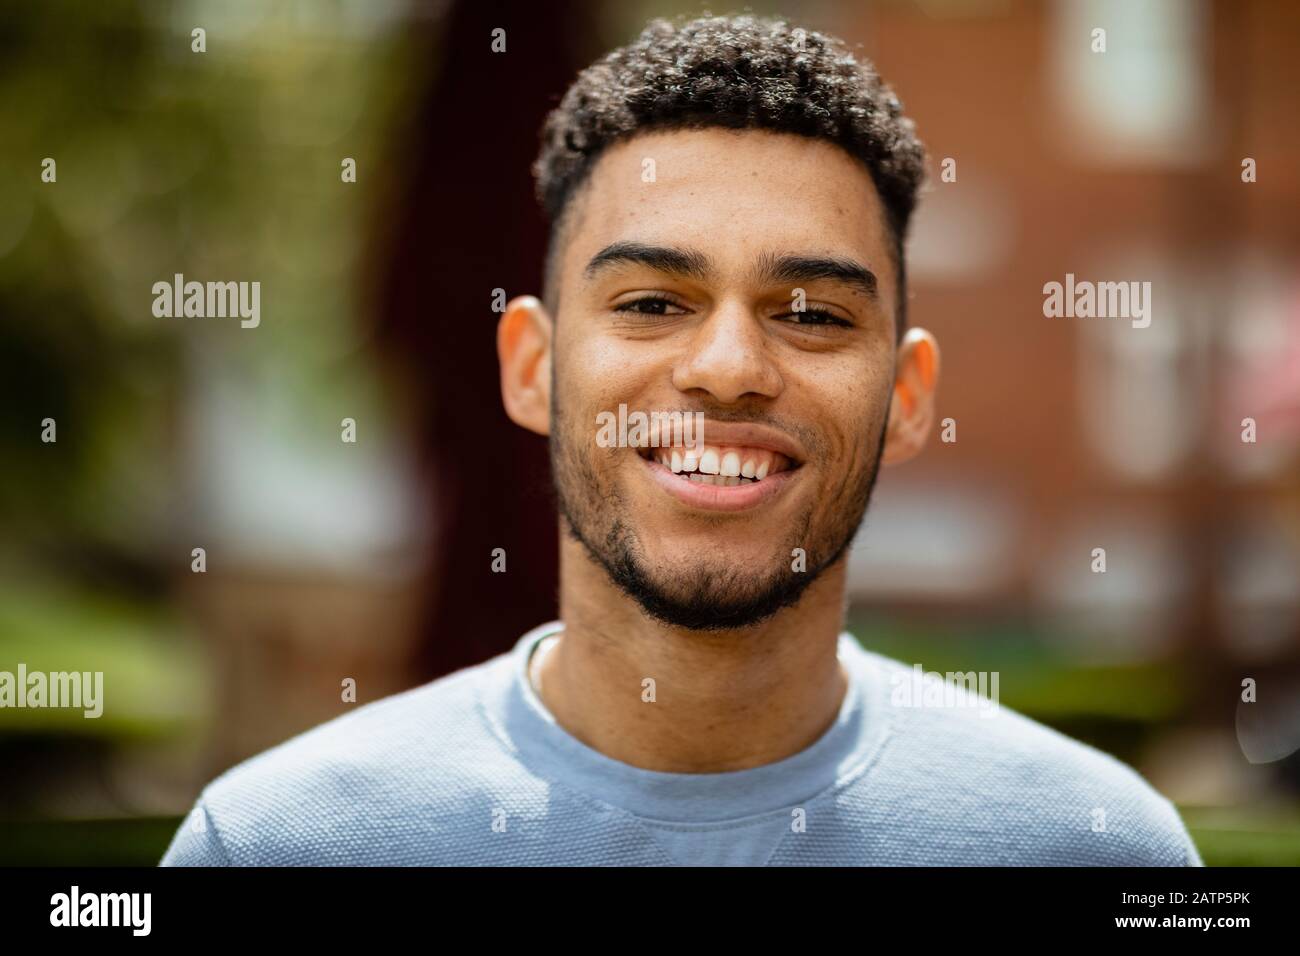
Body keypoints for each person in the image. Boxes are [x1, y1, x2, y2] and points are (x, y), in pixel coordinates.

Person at [161, 13, 1202, 866]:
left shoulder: (1101, 851)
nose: (728, 365)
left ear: (906, 395)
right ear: (531, 367)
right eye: (654, 300)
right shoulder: (274, 845)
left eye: (813, 313)